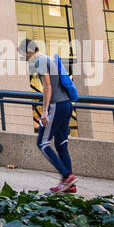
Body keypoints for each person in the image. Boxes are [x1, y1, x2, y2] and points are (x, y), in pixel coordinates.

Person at [22, 39, 77, 193]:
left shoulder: (40, 62)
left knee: (42, 143)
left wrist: (44, 110)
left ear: (30, 52)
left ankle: (67, 176)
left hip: (56, 105)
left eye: (23, 55)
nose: (24, 58)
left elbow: (47, 86)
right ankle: (69, 186)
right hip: (66, 104)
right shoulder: (50, 58)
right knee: (61, 145)